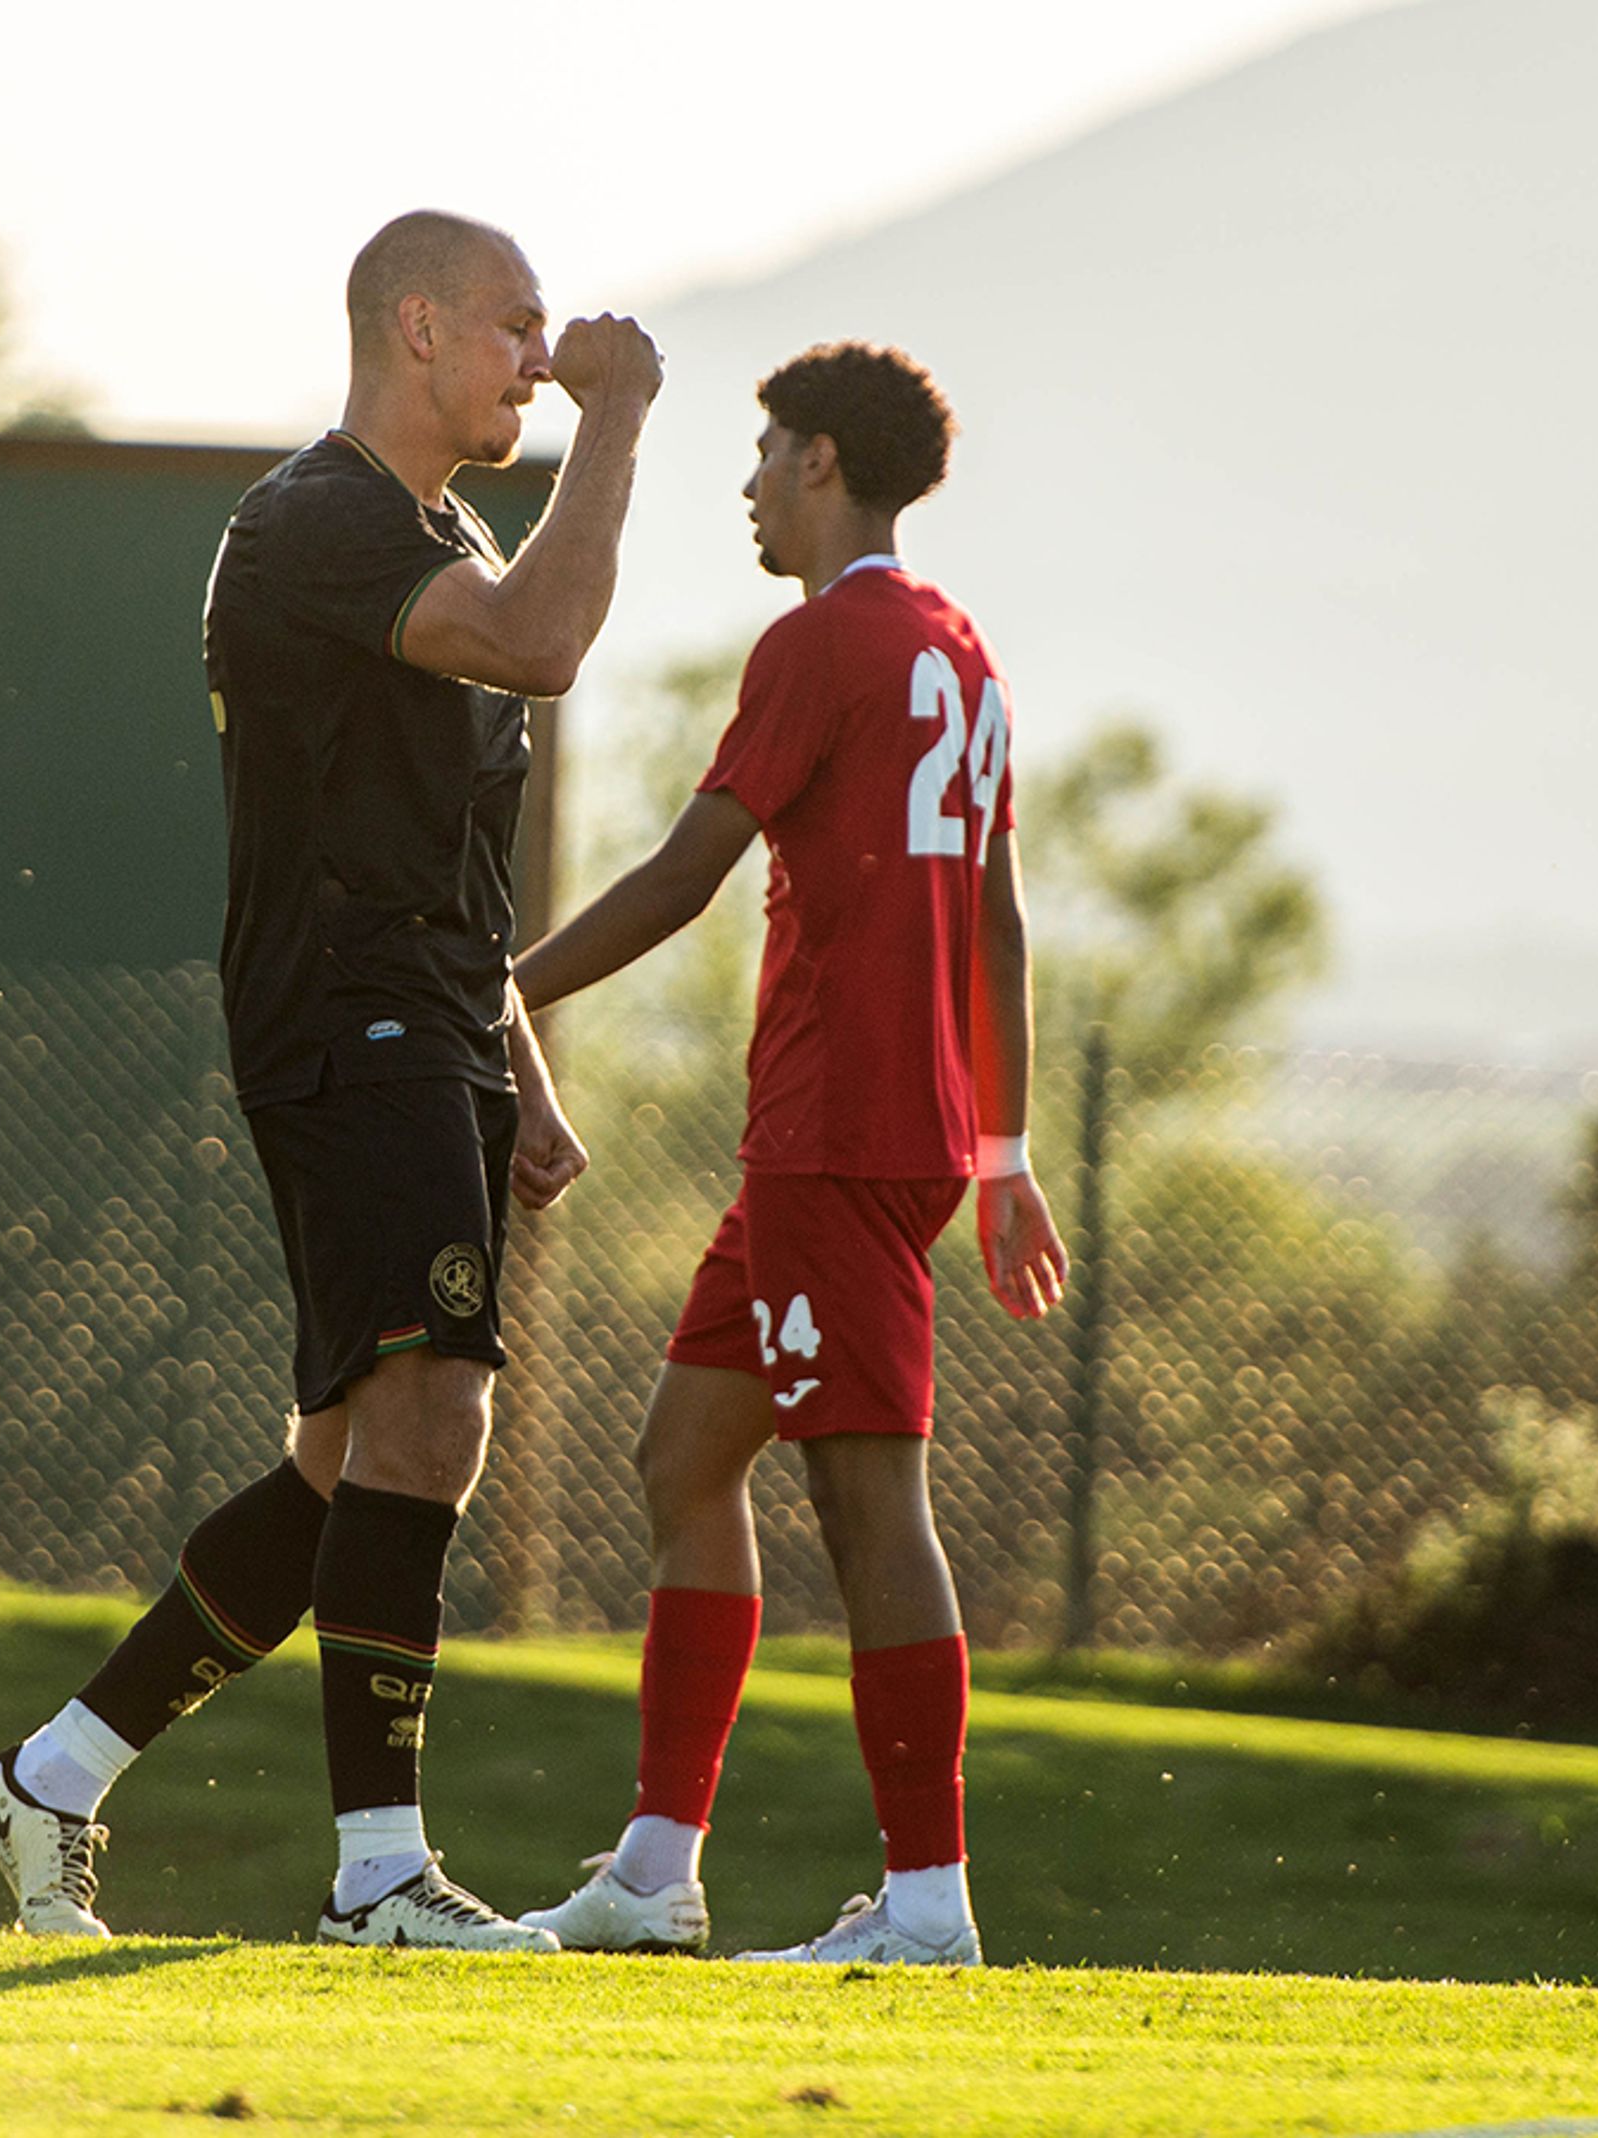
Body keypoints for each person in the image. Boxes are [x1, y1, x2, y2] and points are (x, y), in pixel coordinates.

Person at [0, 209, 660, 1950]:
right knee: (437, 1416)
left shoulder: (444, 533)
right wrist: (623, 417)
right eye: (514, 326)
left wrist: (523, 1065)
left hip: (432, 1025)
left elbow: (456, 861)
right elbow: (544, 643)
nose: (541, 358)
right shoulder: (318, 517)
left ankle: (52, 1774)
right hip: (350, 1023)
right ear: (417, 328)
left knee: (346, 1468)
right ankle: (376, 1876)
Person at [502, 342, 1068, 1966]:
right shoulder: (959, 649)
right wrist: (1003, 1150)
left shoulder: (819, 642)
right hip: (865, 1141)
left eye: (763, 453)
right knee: (685, 1458)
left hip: (837, 1139)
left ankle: (928, 1900)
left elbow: (685, 875)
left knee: (870, 1501)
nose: (747, 484)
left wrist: (501, 987)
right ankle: (655, 1870)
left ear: (821, 462)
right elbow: (1000, 924)